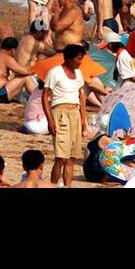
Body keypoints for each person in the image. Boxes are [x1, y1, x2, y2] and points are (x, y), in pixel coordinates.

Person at [41, 44, 88, 186]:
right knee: (60, 157)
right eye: (78, 59)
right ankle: (52, 186)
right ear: (68, 59)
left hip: (75, 113)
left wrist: (83, 119)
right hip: (60, 113)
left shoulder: (78, 73)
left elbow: (81, 96)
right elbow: (45, 96)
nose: (80, 62)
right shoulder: (55, 72)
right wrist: (50, 119)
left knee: (72, 158)